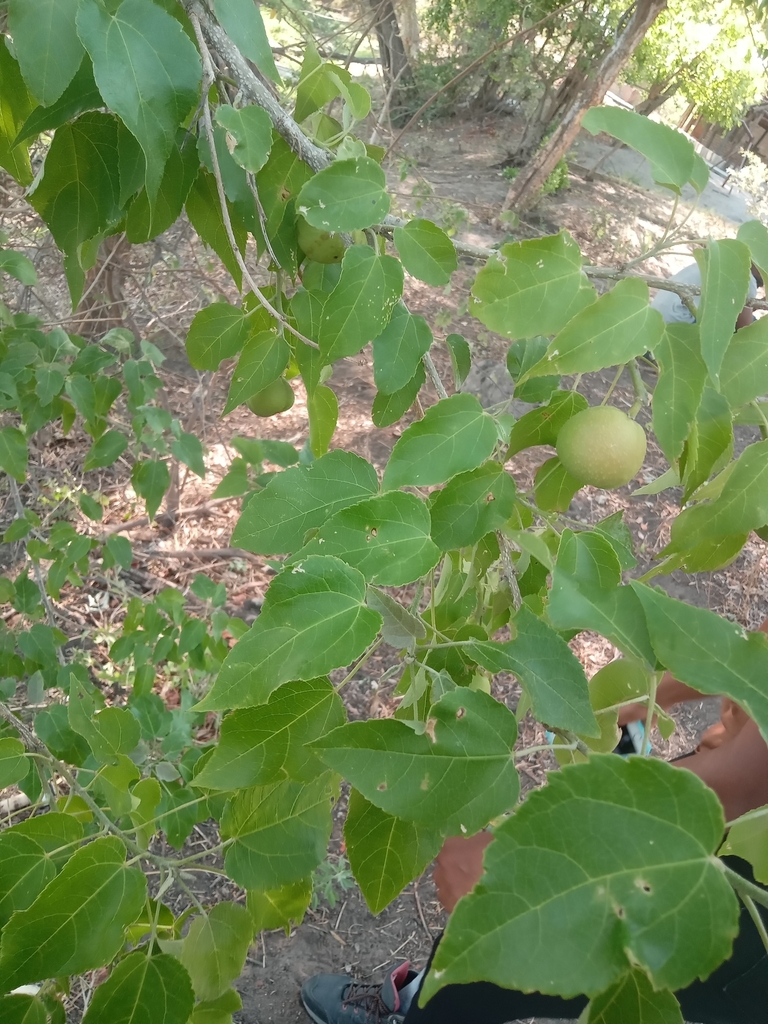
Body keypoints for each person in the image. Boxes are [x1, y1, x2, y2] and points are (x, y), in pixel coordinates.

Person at [301, 627, 768, 1024]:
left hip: (748, 894)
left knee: (510, 943)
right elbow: (756, 662)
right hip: (714, 812)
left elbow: (744, 781)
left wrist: (530, 854)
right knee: (498, 942)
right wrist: (648, 695)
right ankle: (429, 995)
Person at [650, 260, 762, 329]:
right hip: (674, 324)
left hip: (657, 317)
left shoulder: (722, 258)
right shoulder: (747, 279)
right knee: (756, 330)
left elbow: (735, 310)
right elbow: (744, 327)